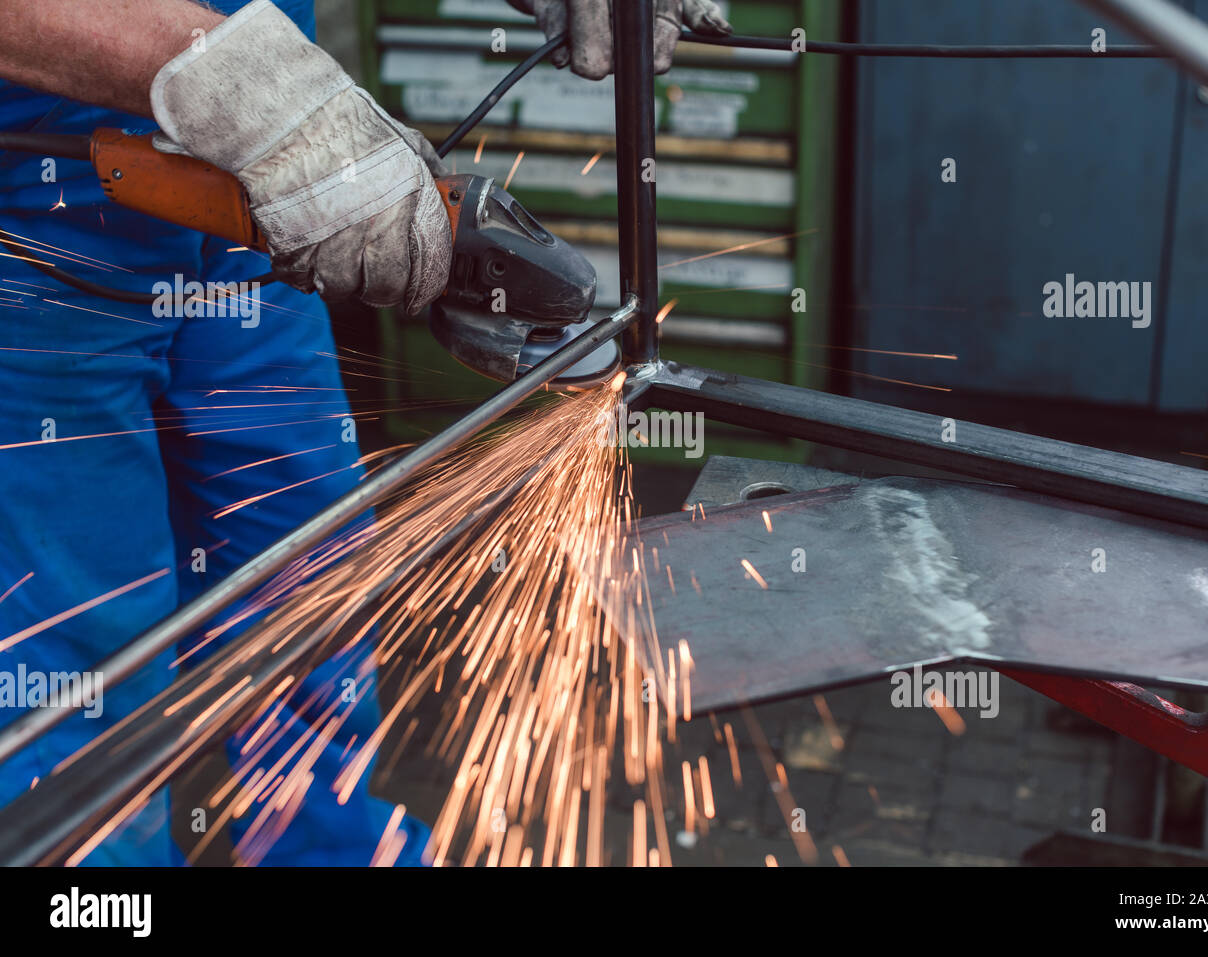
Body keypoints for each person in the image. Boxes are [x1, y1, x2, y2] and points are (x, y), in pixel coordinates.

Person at [0, 0, 728, 865]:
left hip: (249, 213)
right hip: (36, 228)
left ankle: (327, 851)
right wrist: (233, 82)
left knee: (311, 587)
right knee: (80, 665)